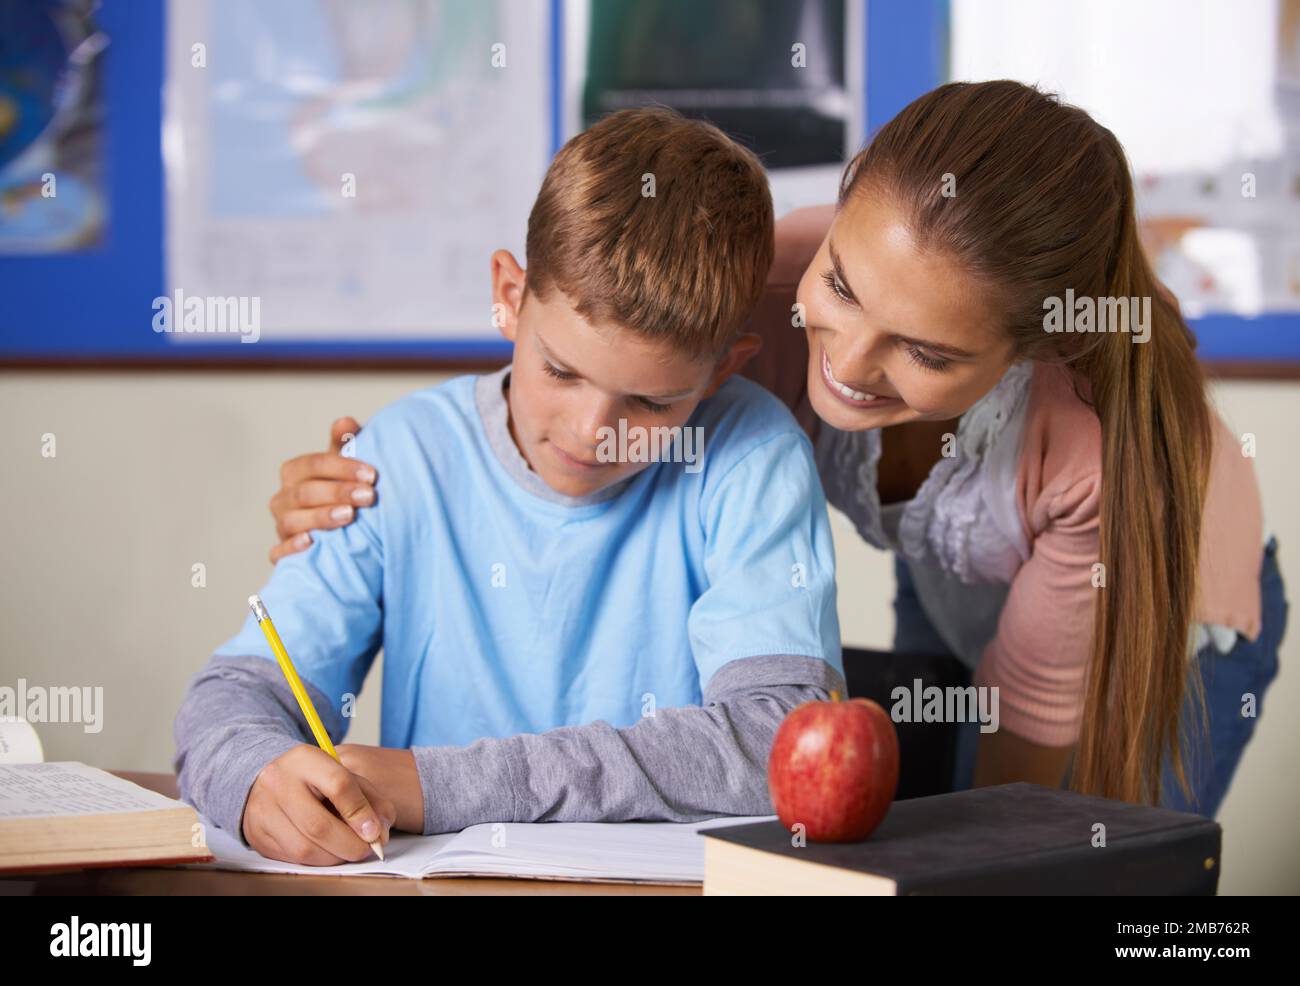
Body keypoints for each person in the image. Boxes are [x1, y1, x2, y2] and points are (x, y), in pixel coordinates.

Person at [275, 82, 1286, 817]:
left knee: (1089, 868)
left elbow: (1020, 803)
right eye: (842, 287)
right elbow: (571, 388)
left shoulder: (1088, 455)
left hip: (1162, 605)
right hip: (943, 564)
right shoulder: (757, 290)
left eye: (926, 351)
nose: (846, 359)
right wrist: (381, 490)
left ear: (1026, 351)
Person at [174, 106, 844, 866]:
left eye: (653, 402)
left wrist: (445, 785)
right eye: (561, 371)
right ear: (508, 294)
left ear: (725, 367)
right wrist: (255, 776)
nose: (594, 431)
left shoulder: (751, 457)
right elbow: (231, 695)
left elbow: (781, 744)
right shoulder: (402, 457)